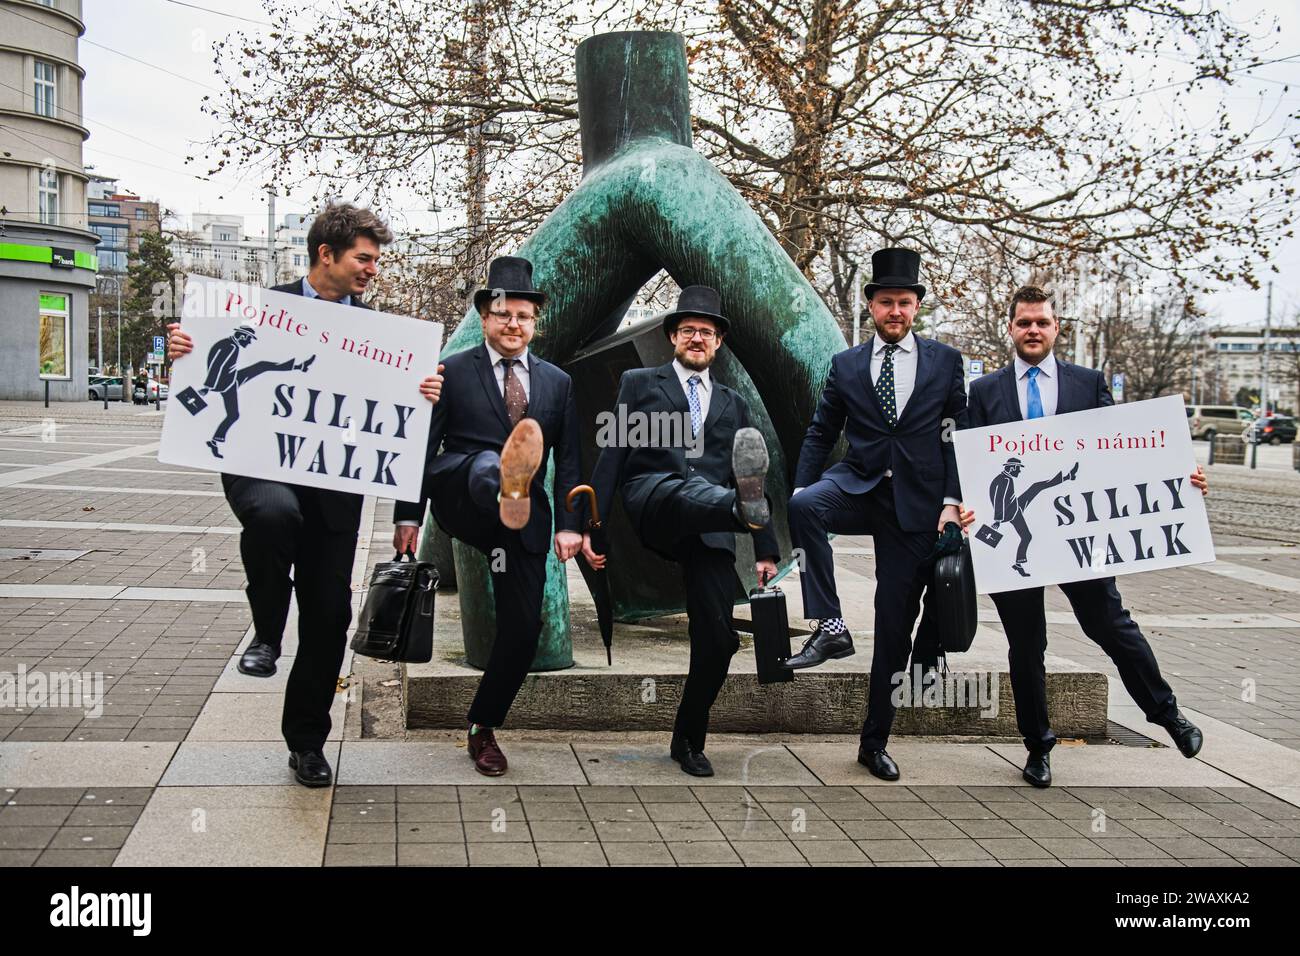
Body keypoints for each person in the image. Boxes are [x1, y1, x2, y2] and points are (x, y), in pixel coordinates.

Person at [167, 203, 442, 787]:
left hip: (334, 491)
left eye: (375, 260)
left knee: (328, 617)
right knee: (273, 515)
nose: (372, 269)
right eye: (364, 258)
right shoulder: (256, 310)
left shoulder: (383, 338)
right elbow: (211, 362)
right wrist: (183, 350)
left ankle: (307, 743)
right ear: (326, 254)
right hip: (258, 465)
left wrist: (422, 392)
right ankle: (267, 633)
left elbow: (396, 421)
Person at [966, 285, 1208, 788]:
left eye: (1042, 322)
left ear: (1056, 328)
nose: (1033, 330)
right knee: (1026, 646)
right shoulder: (985, 392)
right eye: (1024, 322)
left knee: (1112, 626)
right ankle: (1038, 747)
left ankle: (1168, 715)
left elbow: (1122, 450)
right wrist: (962, 504)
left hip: (1078, 532)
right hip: (1018, 538)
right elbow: (968, 461)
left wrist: (1179, 477)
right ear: (1010, 329)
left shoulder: (1088, 383)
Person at [394, 255, 583, 777]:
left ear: (535, 322)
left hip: (519, 523)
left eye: (523, 316)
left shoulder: (558, 383)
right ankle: (503, 478)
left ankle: (482, 726)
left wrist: (570, 524)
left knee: (523, 629)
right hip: (463, 495)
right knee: (483, 465)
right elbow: (421, 447)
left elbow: (570, 461)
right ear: (485, 317)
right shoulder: (451, 372)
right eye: (503, 314)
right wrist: (408, 517)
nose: (513, 324)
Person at [783, 247, 968, 782]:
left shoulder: (945, 362)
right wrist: (804, 484)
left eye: (904, 302)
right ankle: (831, 625)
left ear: (916, 307)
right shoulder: (846, 365)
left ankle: (874, 743)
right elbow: (821, 431)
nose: (895, 311)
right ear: (872, 306)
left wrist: (952, 501)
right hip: (860, 485)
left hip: (918, 506)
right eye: (886, 302)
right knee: (804, 504)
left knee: (893, 627)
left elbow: (958, 436)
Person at [582, 286, 780, 776]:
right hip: (655, 498)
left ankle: (688, 738)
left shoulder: (733, 404)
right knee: (691, 490)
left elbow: (750, 479)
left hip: (710, 526)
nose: (697, 338)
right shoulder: (640, 383)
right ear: (673, 336)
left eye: (706, 332)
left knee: (719, 640)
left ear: (718, 343)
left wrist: (765, 550)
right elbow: (612, 457)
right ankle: (736, 509)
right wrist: (591, 528)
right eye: (688, 329)